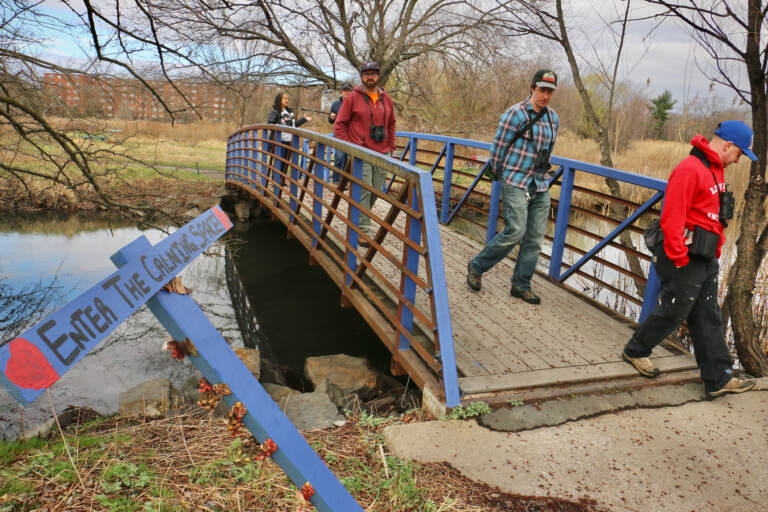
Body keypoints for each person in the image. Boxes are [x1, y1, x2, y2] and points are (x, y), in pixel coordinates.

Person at [622, 120, 757, 398]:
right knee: (674, 311)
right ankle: (635, 351)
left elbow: (712, 216)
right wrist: (679, 259)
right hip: (683, 256)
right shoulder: (689, 170)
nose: (738, 159)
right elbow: (672, 218)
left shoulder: (716, 171)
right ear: (728, 145)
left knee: (707, 315)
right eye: (739, 153)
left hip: (705, 256)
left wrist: (716, 249)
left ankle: (718, 378)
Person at [466, 69, 560, 305]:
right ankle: (477, 266)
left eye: (550, 92)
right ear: (532, 88)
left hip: (539, 183)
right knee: (516, 230)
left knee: (535, 239)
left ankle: (521, 285)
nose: (546, 96)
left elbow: (549, 150)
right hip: (515, 179)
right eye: (542, 90)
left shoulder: (553, 118)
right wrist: (502, 175)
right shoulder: (515, 114)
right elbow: (497, 149)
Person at [334, 61, 396, 246]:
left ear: (378, 76)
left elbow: (392, 124)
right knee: (364, 190)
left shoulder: (386, 98)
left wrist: (391, 146)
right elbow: (339, 125)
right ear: (362, 77)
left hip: (382, 152)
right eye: (366, 74)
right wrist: (350, 147)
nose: (370, 77)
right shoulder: (353, 97)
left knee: (376, 190)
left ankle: (357, 216)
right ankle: (363, 231)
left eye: (373, 73)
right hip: (361, 153)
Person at [267, 92, 312, 176]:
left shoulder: (289, 112)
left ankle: (281, 180)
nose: (287, 100)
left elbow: (293, 126)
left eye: (288, 98)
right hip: (279, 142)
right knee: (279, 163)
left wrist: (304, 119)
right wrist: (279, 127)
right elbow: (270, 125)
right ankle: (276, 180)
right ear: (279, 100)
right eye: (285, 98)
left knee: (286, 163)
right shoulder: (275, 112)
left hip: (289, 141)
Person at [328, 82, 353, 184]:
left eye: (348, 90)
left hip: (351, 135)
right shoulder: (335, 104)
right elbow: (330, 121)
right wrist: (331, 117)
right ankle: (336, 180)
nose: (346, 92)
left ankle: (345, 181)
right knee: (339, 157)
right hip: (338, 134)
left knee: (348, 159)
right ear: (341, 92)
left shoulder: (354, 104)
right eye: (344, 90)